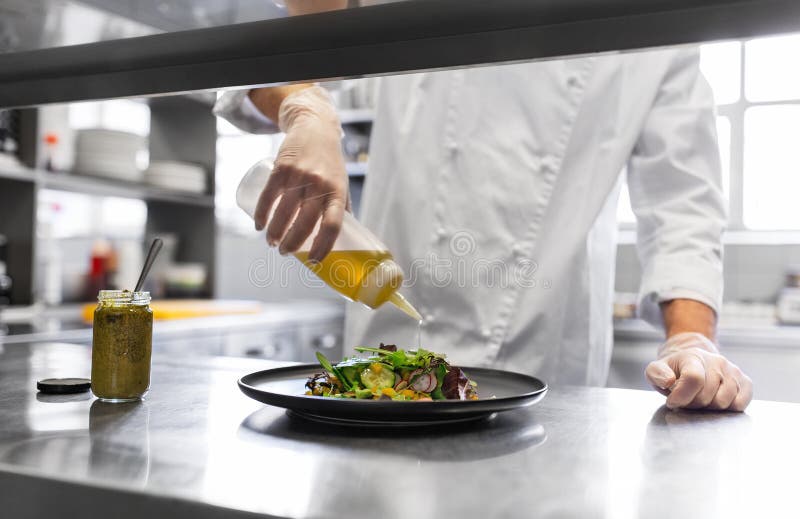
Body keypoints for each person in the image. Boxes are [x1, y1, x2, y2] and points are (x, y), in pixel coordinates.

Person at [214, 3, 753, 412]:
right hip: (382, 370)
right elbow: (267, 46)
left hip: (545, 369)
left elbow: (683, 200)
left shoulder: (651, 17)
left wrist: (691, 336)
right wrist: (305, 106)